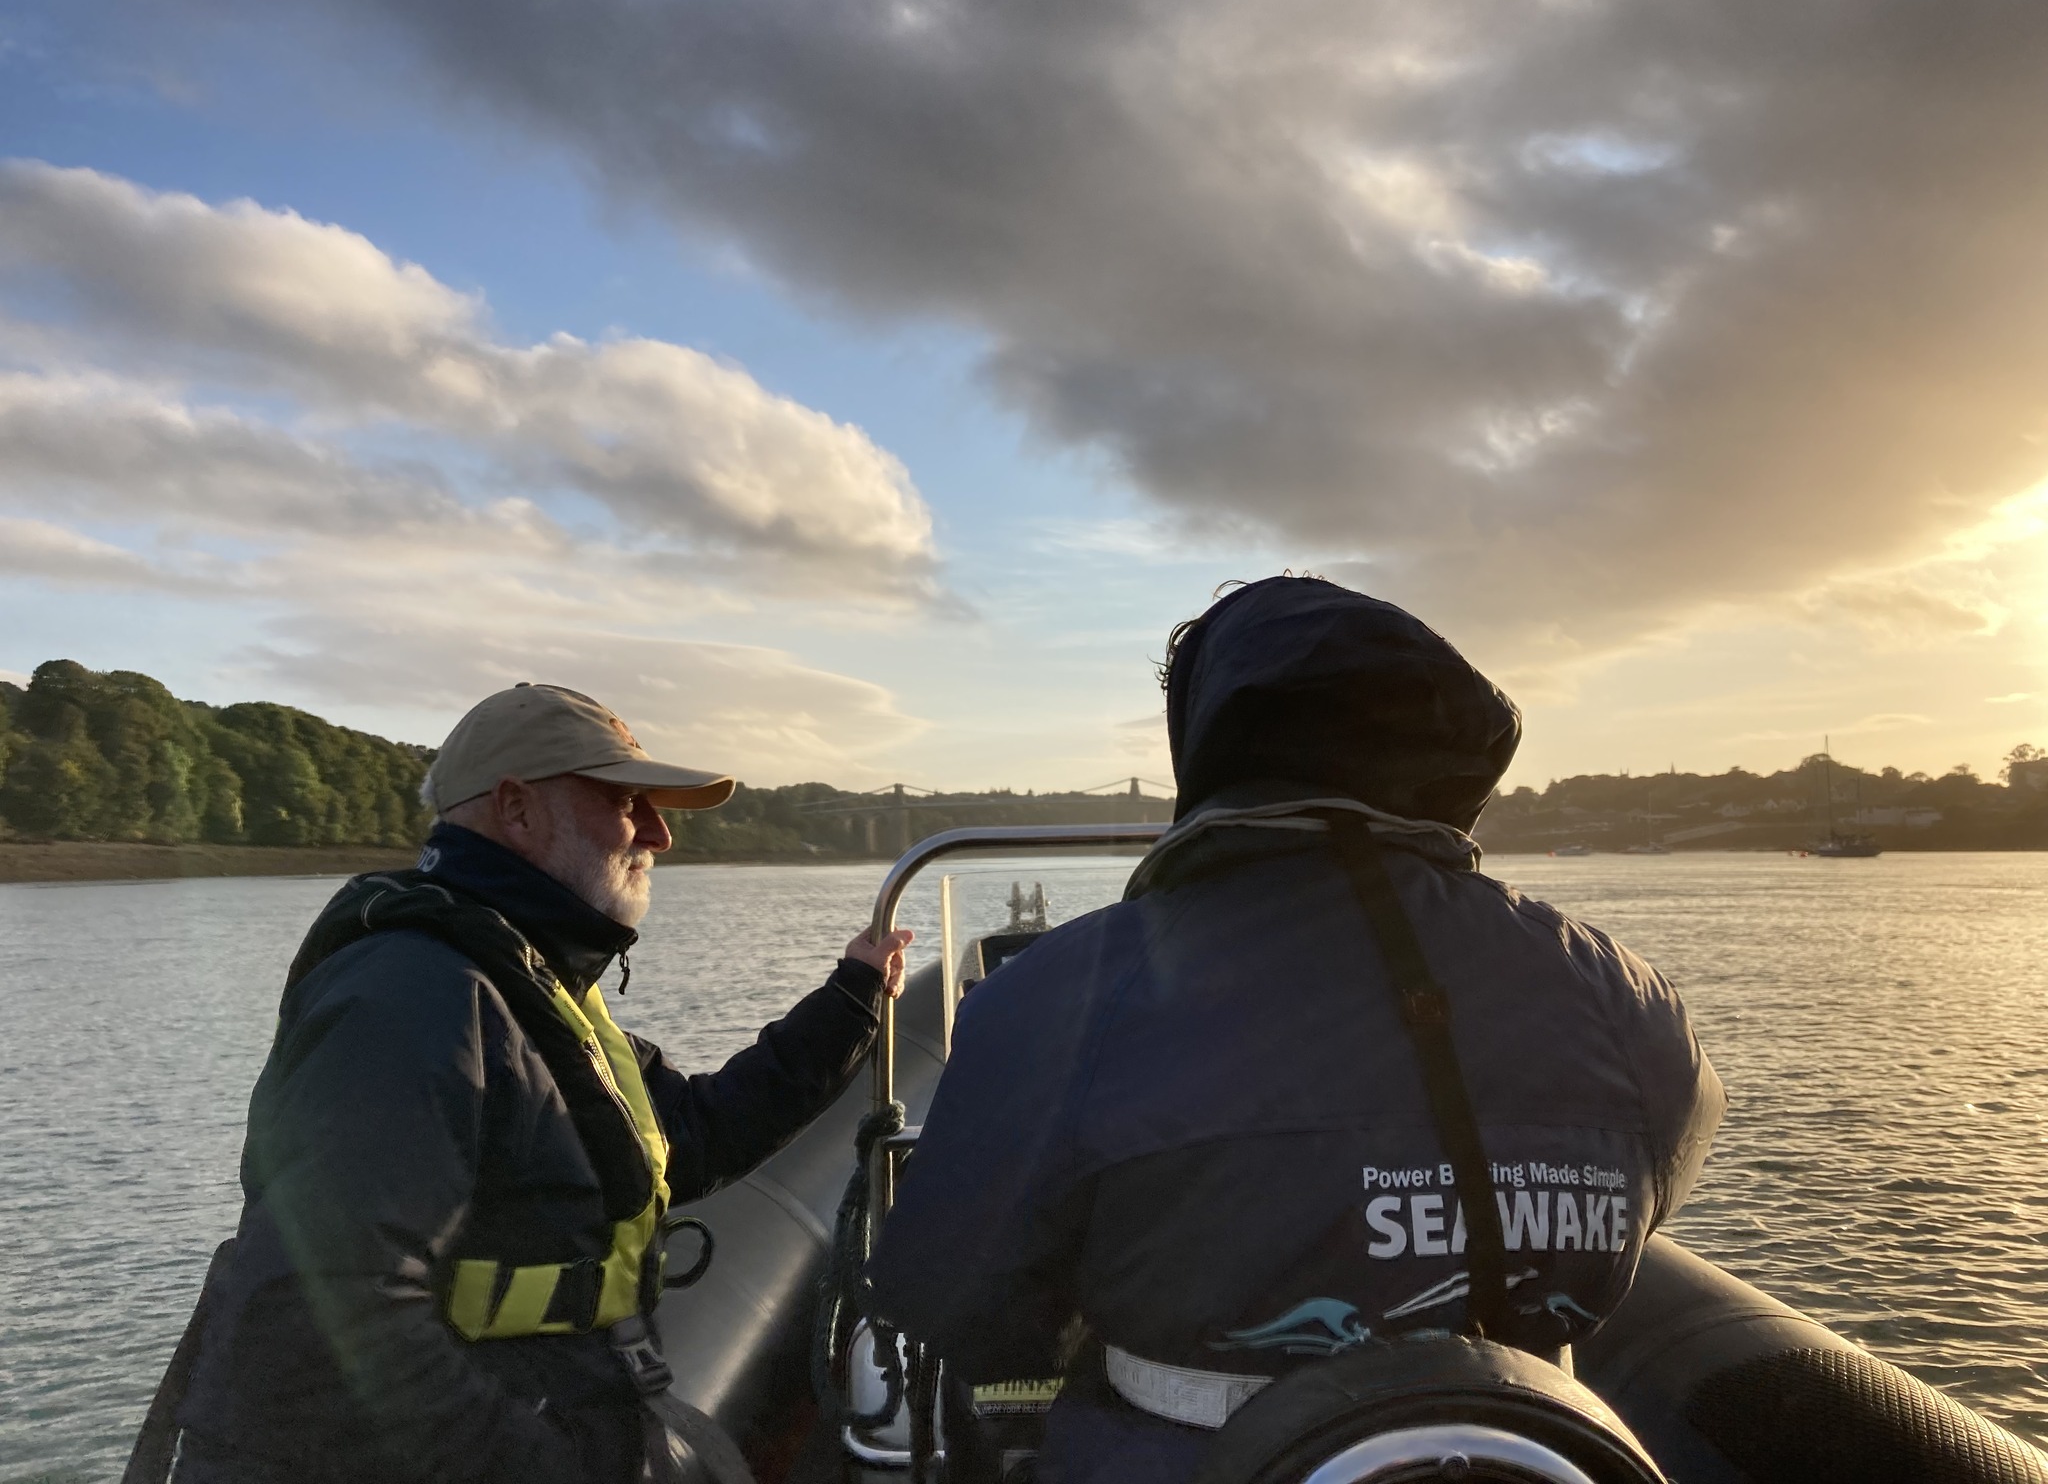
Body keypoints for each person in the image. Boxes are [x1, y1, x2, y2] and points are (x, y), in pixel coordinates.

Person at [867, 577, 1724, 1483]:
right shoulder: (1626, 998)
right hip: (1544, 1455)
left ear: (1205, 746)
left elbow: (951, 1299)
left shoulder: (1051, 999)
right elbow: (1659, 1177)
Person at [172, 683, 911, 1483]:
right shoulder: (410, 999)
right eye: (629, 802)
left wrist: (850, 999)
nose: (660, 834)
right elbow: (319, 1315)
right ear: (517, 810)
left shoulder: (521, 985)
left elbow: (691, 1136)